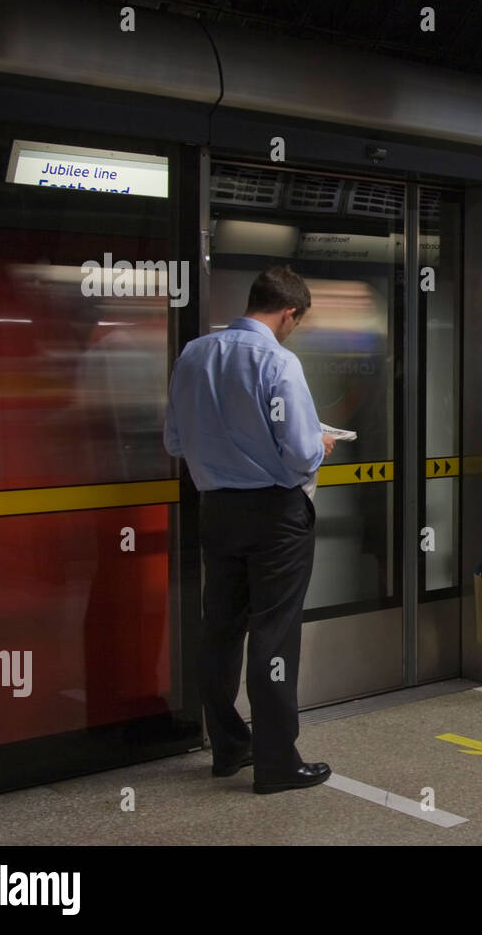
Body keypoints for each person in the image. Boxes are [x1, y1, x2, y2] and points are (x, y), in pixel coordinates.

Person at [164, 266, 335, 793]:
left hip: (216, 509)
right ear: (289, 313)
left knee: (220, 629)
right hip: (275, 516)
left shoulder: (193, 354)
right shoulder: (279, 362)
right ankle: (277, 762)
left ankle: (229, 747)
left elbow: (174, 441)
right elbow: (302, 449)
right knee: (274, 636)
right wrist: (321, 446)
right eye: (295, 322)